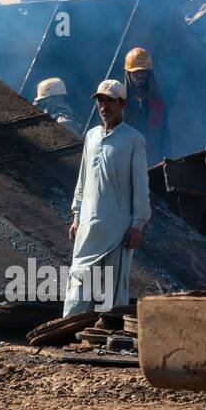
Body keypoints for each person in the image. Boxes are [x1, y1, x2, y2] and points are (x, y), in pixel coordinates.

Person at [63, 80, 151, 317]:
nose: (104, 106)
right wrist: (76, 215)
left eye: (110, 100)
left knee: (113, 292)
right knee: (79, 284)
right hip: (88, 227)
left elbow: (141, 187)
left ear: (122, 104)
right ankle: (67, 332)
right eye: (100, 100)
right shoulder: (91, 136)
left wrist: (137, 224)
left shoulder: (133, 140)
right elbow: (82, 179)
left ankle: (112, 339)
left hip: (118, 230)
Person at [122, 46, 169, 164]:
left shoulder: (157, 104)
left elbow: (166, 137)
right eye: (136, 72)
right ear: (128, 74)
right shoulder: (120, 105)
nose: (140, 75)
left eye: (143, 71)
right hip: (128, 166)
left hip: (154, 165)